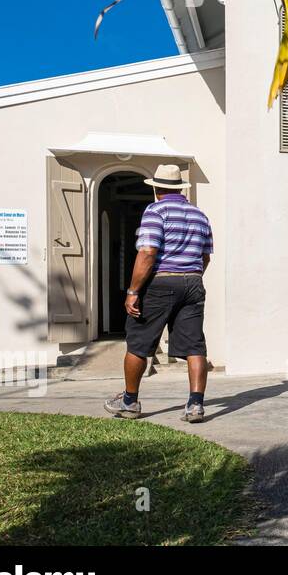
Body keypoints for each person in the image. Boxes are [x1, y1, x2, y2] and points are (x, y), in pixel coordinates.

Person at [104, 164, 213, 423]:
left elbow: (148, 252)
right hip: (193, 282)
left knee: (139, 343)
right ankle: (195, 405)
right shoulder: (200, 215)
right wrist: (189, 276)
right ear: (180, 188)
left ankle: (130, 401)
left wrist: (133, 291)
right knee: (195, 345)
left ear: (156, 189)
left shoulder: (155, 211)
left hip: (160, 283)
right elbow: (205, 256)